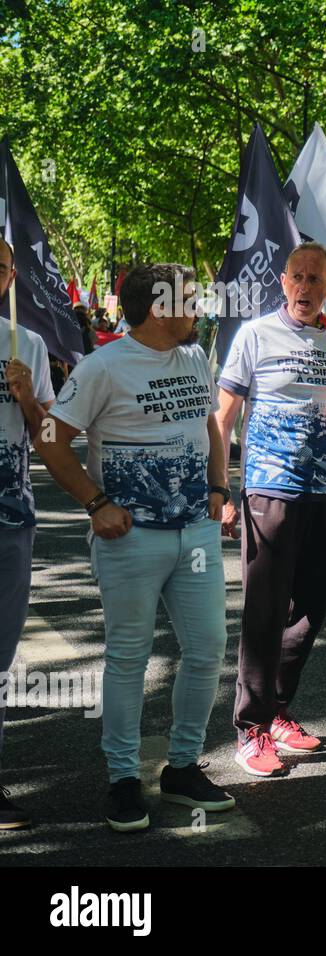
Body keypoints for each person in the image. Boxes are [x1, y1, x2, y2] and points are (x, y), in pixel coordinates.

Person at [36, 263, 235, 830]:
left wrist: (219, 487)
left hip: (195, 532)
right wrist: (96, 504)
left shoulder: (195, 358)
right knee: (129, 657)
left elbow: (211, 425)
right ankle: (123, 780)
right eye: (190, 300)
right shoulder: (104, 366)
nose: (199, 308)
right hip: (130, 538)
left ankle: (183, 767)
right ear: (158, 309)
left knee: (206, 650)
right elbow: (51, 438)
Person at [214, 242, 326, 777]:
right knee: (264, 612)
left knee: (309, 613)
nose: (305, 287)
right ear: (283, 283)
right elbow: (225, 417)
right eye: (296, 277)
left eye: (315, 279)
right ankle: (250, 729)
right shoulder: (255, 335)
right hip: (270, 492)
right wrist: (224, 488)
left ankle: (279, 711)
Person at [0, 238, 56, 829]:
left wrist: (27, 399)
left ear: (11, 276)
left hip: (11, 517)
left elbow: (47, 437)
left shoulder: (27, 343)